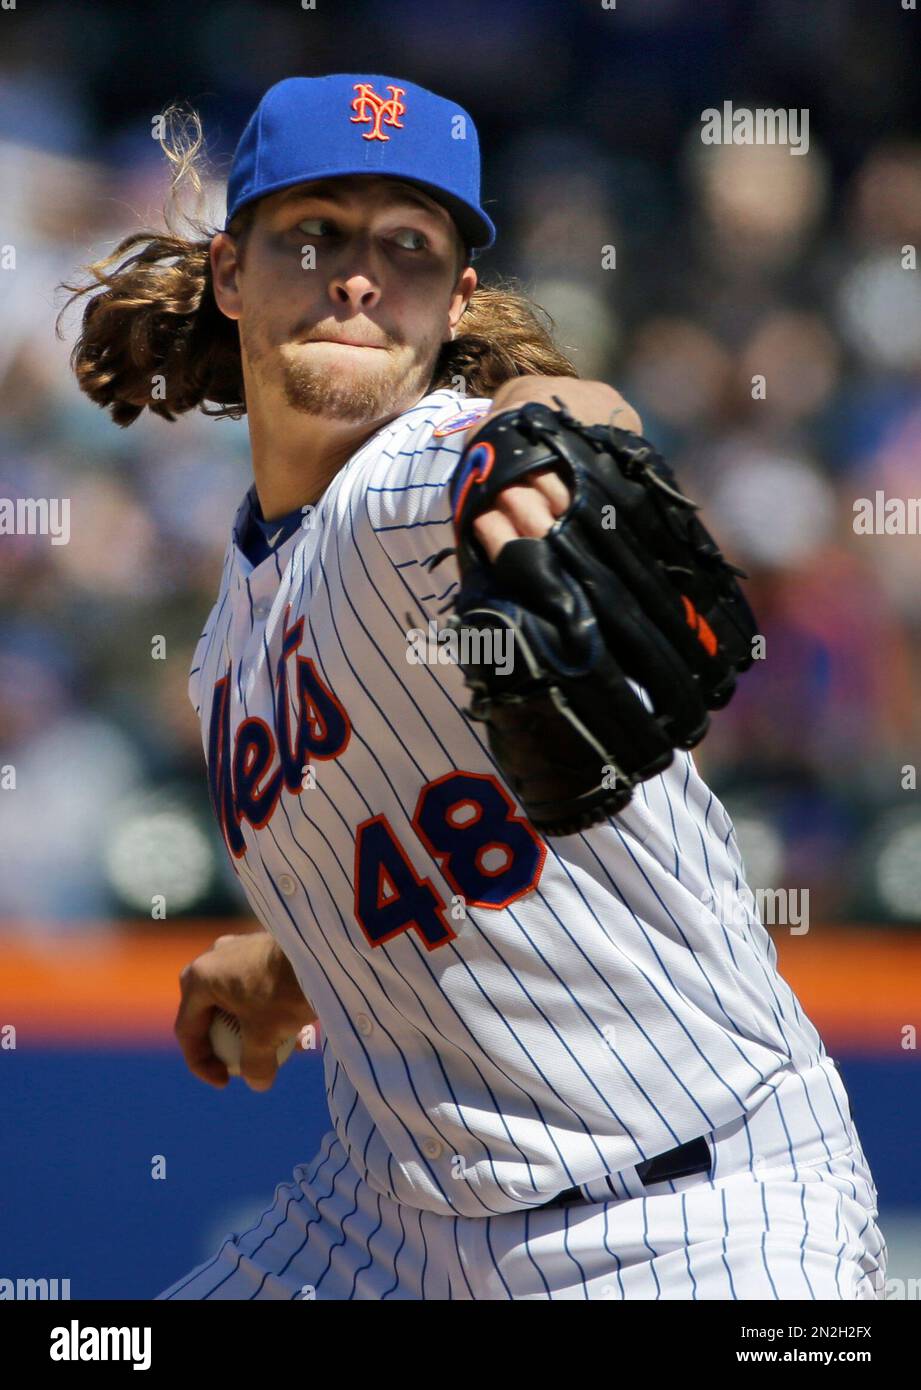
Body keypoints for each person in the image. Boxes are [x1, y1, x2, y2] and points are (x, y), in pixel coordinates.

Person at [60, 74, 886, 1300]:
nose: (356, 276)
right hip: (382, 1222)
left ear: (456, 304)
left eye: (406, 247)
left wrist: (566, 449)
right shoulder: (228, 639)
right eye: (314, 235)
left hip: (696, 1215)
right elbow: (419, 842)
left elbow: (547, 421)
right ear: (232, 273)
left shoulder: (412, 479)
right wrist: (293, 955)